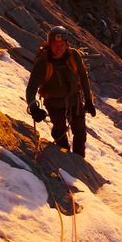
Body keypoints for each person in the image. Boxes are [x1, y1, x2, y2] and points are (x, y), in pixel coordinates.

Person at [26, 25, 96, 158]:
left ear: (66, 44)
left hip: (74, 100)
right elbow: (31, 88)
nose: (59, 49)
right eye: (55, 45)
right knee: (59, 131)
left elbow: (82, 77)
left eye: (62, 45)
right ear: (50, 44)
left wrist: (88, 99)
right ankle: (64, 156)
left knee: (80, 132)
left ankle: (78, 160)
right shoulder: (43, 63)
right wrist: (34, 108)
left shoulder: (73, 55)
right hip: (54, 103)